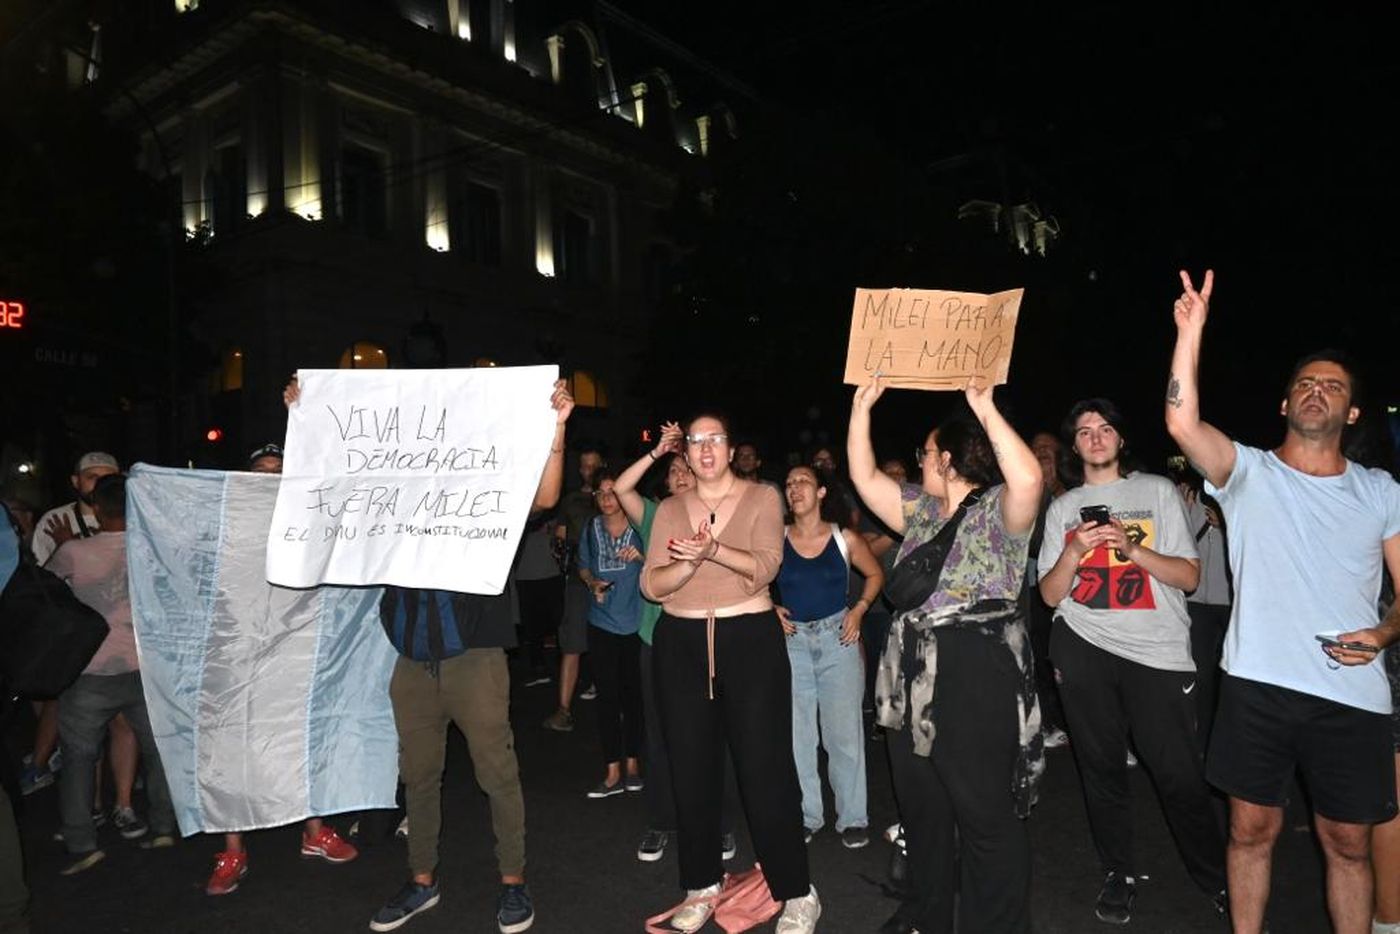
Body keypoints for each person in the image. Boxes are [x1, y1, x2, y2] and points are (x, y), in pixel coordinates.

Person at [1165, 269, 1400, 934]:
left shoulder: (1382, 491)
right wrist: (1190, 332)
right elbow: (1181, 422)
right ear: (1285, 403)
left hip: (1351, 692)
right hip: (1258, 684)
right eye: (1305, 383)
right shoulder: (1249, 474)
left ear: (1352, 412)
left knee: (1348, 843)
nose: (1316, 391)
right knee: (1250, 831)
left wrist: (1384, 636)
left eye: (1332, 386)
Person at [362, 379, 574, 934]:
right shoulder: (393, 499)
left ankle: (512, 881)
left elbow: (545, 499)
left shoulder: (483, 500)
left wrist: (557, 429)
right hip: (412, 658)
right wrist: (303, 413)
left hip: (474, 656)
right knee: (420, 775)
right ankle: (421, 880)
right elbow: (330, 485)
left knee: (495, 773)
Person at [849, 376, 1043, 934]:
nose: (920, 461)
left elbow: (1027, 475)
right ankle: (926, 915)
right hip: (913, 668)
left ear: (949, 459)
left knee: (985, 817)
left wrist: (983, 407)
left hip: (973, 668)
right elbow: (863, 478)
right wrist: (862, 408)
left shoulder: (1000, 512)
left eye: (926, 453)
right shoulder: (921, 510)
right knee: (925, 811)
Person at [1038, 397, 1226, 924]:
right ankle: (1117, 872)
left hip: (1156, 654)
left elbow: (1189, 577)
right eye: (1083, 431)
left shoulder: (1157, 491)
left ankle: (1214, 876)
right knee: (1100, 771)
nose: (1095, 437)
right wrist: (1075, 551)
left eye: (1104, 429)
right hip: (1083, 647)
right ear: (1074, 446)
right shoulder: (1061, 508)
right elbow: (1051, 597)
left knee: (1179, 775)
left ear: (1120, 439)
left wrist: (1130, 548)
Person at [642, 413, 820, 933]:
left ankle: (797, 891)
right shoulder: (672, 508)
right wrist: (693, 564)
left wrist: (712, 549)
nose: (705, 448)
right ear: (687, 452)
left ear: (730, 446)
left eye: (715, 439)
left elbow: (766, 567)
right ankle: (701, 885)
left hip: (749, 641)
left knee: (766, 771)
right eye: (696, 441)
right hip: (681, 644)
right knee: (692, 770)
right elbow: (653, 585)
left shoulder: (764, 496)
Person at [203, 443, 359, 896]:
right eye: (261, 471)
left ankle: (314, 833)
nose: (270, 479)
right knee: (230, 746)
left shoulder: (309, 519)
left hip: (295, 651)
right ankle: (232, 849)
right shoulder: (230, 523)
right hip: (236, 650)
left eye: (279, 471)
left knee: (300, 736)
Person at [611, 426, 740, 865]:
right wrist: (657, 451)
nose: (682, 475)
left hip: (711, 633)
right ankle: (663, 822)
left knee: (714, 731)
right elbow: (620, 486)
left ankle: (719, 823)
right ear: (666, 483)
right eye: (675, 471)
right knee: (661, 734)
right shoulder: (653, 514)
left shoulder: (725, 510)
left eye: (689, 468)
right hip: (658, 637)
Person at [47, 475, 178, 875]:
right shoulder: (153, 549)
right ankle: (163, 826)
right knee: (158, 751)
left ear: (96, 509)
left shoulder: (74, 552)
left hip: (92, 669)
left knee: (79, 759)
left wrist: (65, 544)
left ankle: (82, 842)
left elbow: (47, 588)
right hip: (145, 667)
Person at [776, 464, 883, 848]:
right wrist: (771, 607)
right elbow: (752, 579)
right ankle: (808, 814)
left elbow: (875, 575)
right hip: (793, 646)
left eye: (802, 481)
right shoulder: (776, 539)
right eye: (789, 483)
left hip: (839, 639)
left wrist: (859, 609)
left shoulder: (845, 538)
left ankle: (853, 817)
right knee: (798, 736)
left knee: (844, 736)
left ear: (821, 492)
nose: (794, 488)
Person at [25, 452, 136, 807]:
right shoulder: (55, 521)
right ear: (76, 481)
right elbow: (45, 582)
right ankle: (92, 806)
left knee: (122, 725)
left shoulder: (138, 517)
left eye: (108, 476)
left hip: (125, 644)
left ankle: (122, 804)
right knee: (83, 735)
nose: (99, 483)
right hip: (78, 645)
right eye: (91, 477)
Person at [575, 470, 645, 798]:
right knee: (607, 697)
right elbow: (584, 565)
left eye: (612, 492)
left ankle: (633, 764)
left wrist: (642, 557)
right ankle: (612, 769)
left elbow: (662, 562)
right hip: (600, 621)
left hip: (635, 624)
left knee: (633, 696)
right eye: (600, 494)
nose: (605, 499)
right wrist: (591, 583)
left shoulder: (640, 526)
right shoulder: (591, 529)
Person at [543, 445, 604, 731]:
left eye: (594, 465)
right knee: (571, 645)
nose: (589, 471)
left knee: (615, 647)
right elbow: (560, 538)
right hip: (579, 583)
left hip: (614, 581)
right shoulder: (571, 501)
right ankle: (563, 710)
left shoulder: (617, 495)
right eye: (584, 466)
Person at [1026, 432, 1069, 749]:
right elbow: (1031, 542)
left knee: (1068, 661)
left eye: (1047, 450)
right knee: (1040, 657)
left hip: (1075, 591)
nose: (1041, 454)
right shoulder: (1027, 493)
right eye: (1035, 449)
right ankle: (1049, 721)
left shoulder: (1074, 492)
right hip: (1035, 589)